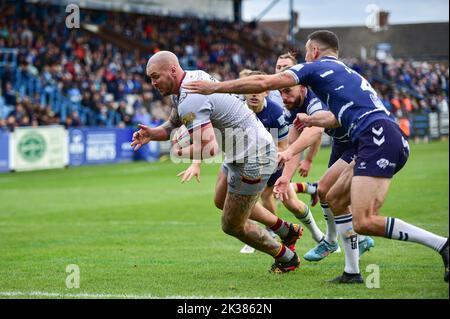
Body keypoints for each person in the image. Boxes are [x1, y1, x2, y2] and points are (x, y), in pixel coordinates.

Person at [182, 31, 449, 283]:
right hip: (378, 134)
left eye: (306, 55)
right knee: (331, 196)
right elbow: (335, 118)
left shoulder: (315, 68)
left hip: (376, 137)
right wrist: (310, 119)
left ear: (313, 51)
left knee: (365, 220)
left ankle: (443, 245)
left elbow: (263, 82)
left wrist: (213, 88)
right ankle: (352, 272)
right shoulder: (346, 74)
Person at [131, 51, 302, 273]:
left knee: (231, 224)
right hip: (242, 150)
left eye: (155, 76)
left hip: (253, 157)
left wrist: (178, 151)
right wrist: (153, 133)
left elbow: (209, 147)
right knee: (221, 200)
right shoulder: (190, 82)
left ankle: (286, 258)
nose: (153, 83)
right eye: (150, 78)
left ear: (172, 70)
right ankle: (286, 230)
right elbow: (174, 122)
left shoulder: (190, 99)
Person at [276, 54, 375, 267]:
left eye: (287, 90)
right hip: (341, 142)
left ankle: (331, 241)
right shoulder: (291, 104)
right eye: (280, 91)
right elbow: (293, 146)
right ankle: (358, 239)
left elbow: (315, 131)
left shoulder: (313, 97)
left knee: (325, 191)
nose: (283, 95)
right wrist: (285, 177)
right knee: (329, 195)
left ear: (301, 86)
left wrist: (301, 157)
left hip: (356, 141)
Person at [239, 71, 325, 254]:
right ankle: (267, 232)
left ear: (266, 92)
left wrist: (304, 161)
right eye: (250, 90)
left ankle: (318, 234)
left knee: (291, 203)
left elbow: (286, 147)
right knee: (256, 197)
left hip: (275, 161)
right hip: (251, 163)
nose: (254, 94)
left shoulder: (276, 112)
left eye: (258, 89)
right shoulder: (237, 110)